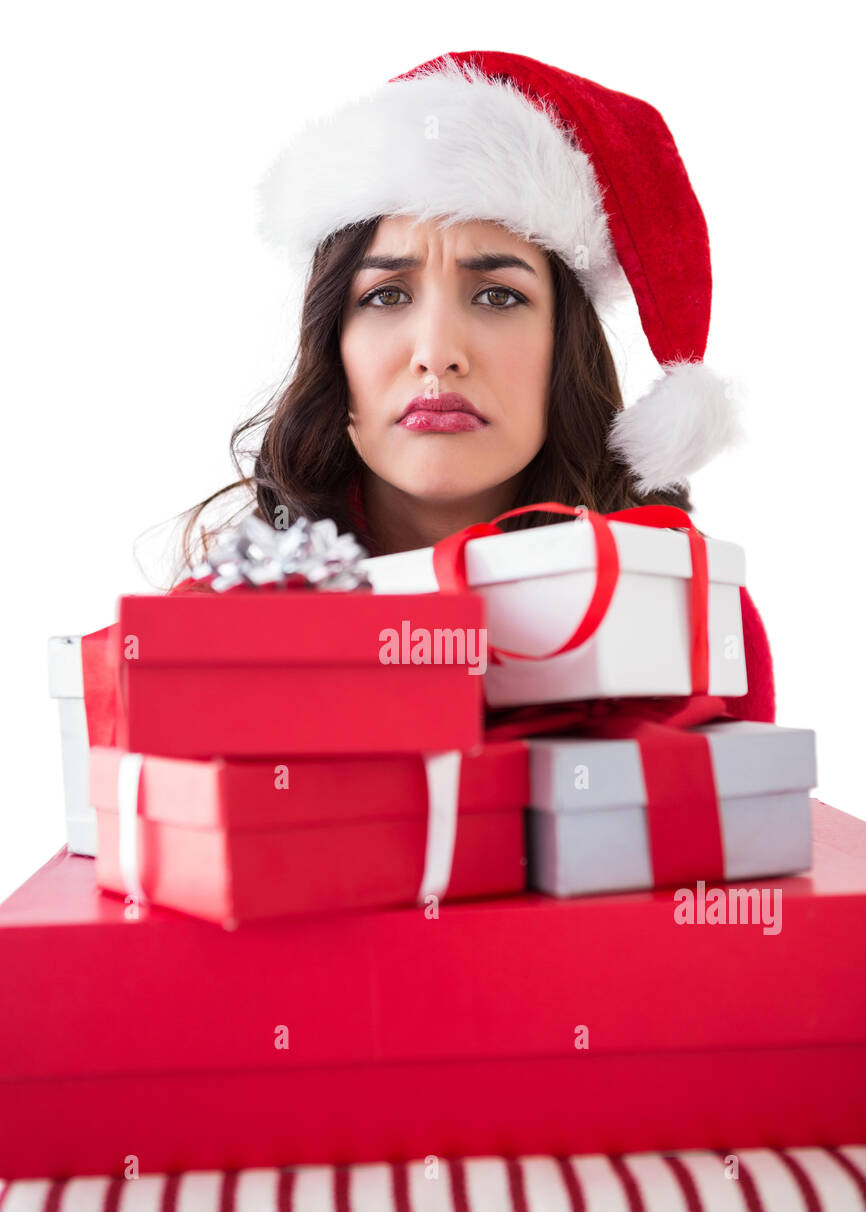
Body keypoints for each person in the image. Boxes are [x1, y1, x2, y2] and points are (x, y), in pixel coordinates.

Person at [169, 50, 775, 725]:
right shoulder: (211, 631)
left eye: (496, 296)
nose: (438, 355)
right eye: (386, 294)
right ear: (332, 348)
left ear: (563, 348)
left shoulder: (680, 605)